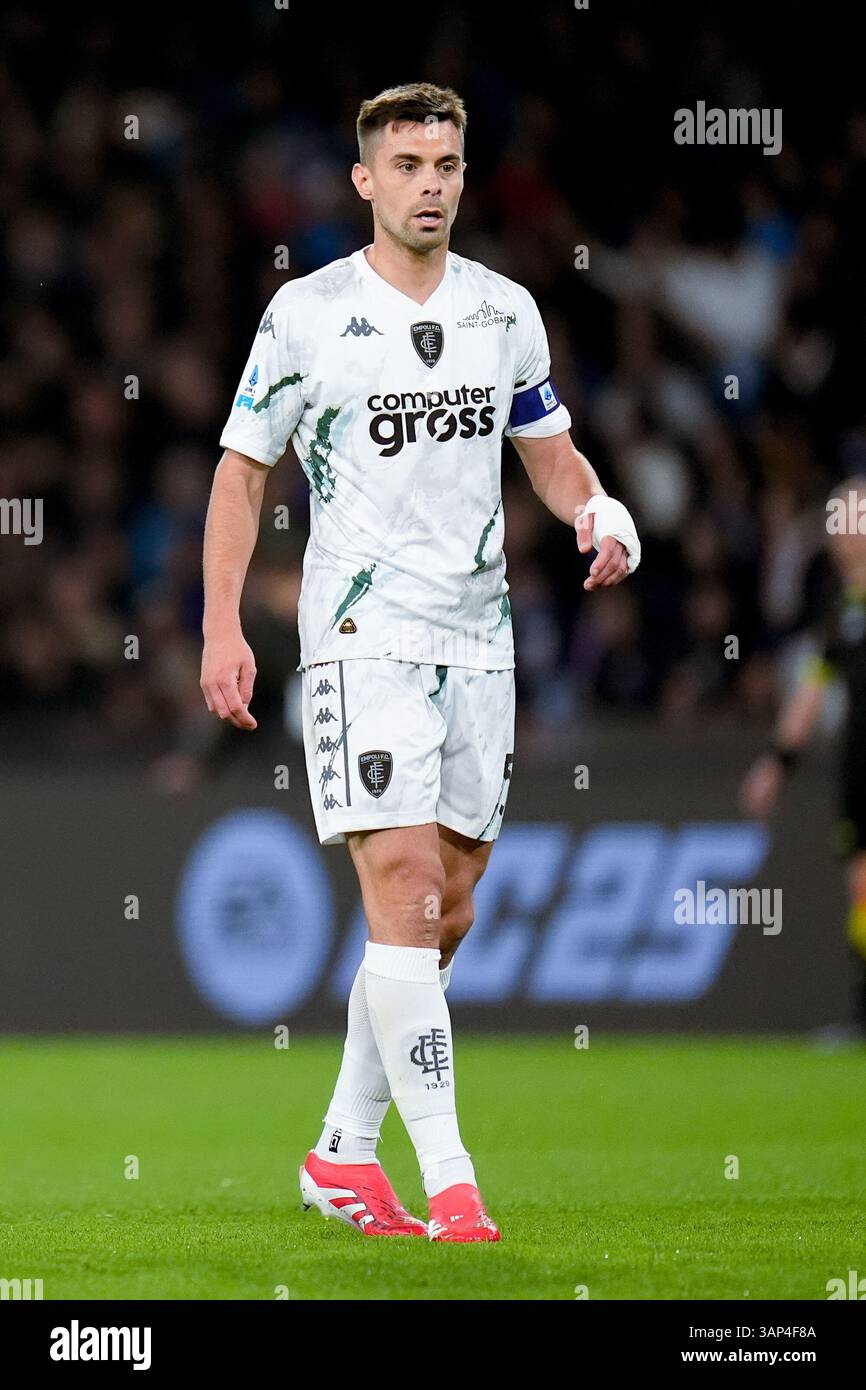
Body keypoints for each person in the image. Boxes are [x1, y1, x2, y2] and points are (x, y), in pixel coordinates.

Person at [201, 83, 640, 1241]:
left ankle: (342, 1151)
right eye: (406, 164)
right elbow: (242, 473)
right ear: (365, 182)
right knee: (401, 890)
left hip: (477, 642)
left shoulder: (504, 312)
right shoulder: (305, 315)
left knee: (442, 918)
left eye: (445, 162)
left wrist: (599, 510)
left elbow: (547, 456)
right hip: (361, 638)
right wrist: (219, 624)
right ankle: (452, 1183)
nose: (431, 182)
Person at [740, 478, 866, 1045]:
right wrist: (777, 763)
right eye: (837, 517)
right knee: (862, 886)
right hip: (858, 764)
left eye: (854, 517)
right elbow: (813, 689)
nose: (843, 530)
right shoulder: (843, 606)